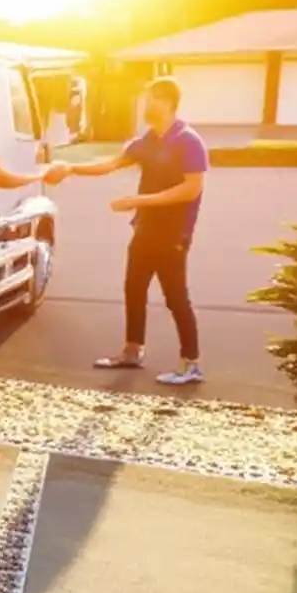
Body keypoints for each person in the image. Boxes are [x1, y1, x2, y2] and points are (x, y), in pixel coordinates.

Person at [44, 76, 209, 384]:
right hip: (145, 230)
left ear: (167, 102)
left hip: (174, 234)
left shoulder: (188, 140)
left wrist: (138, 200)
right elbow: (110, 164)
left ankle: (191, 363)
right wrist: (71, 168)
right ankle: (132, 351)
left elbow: (191, 189)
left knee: (176, 298)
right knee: (133, 289)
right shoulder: (147, 141)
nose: (145, 105)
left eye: (150, 100)